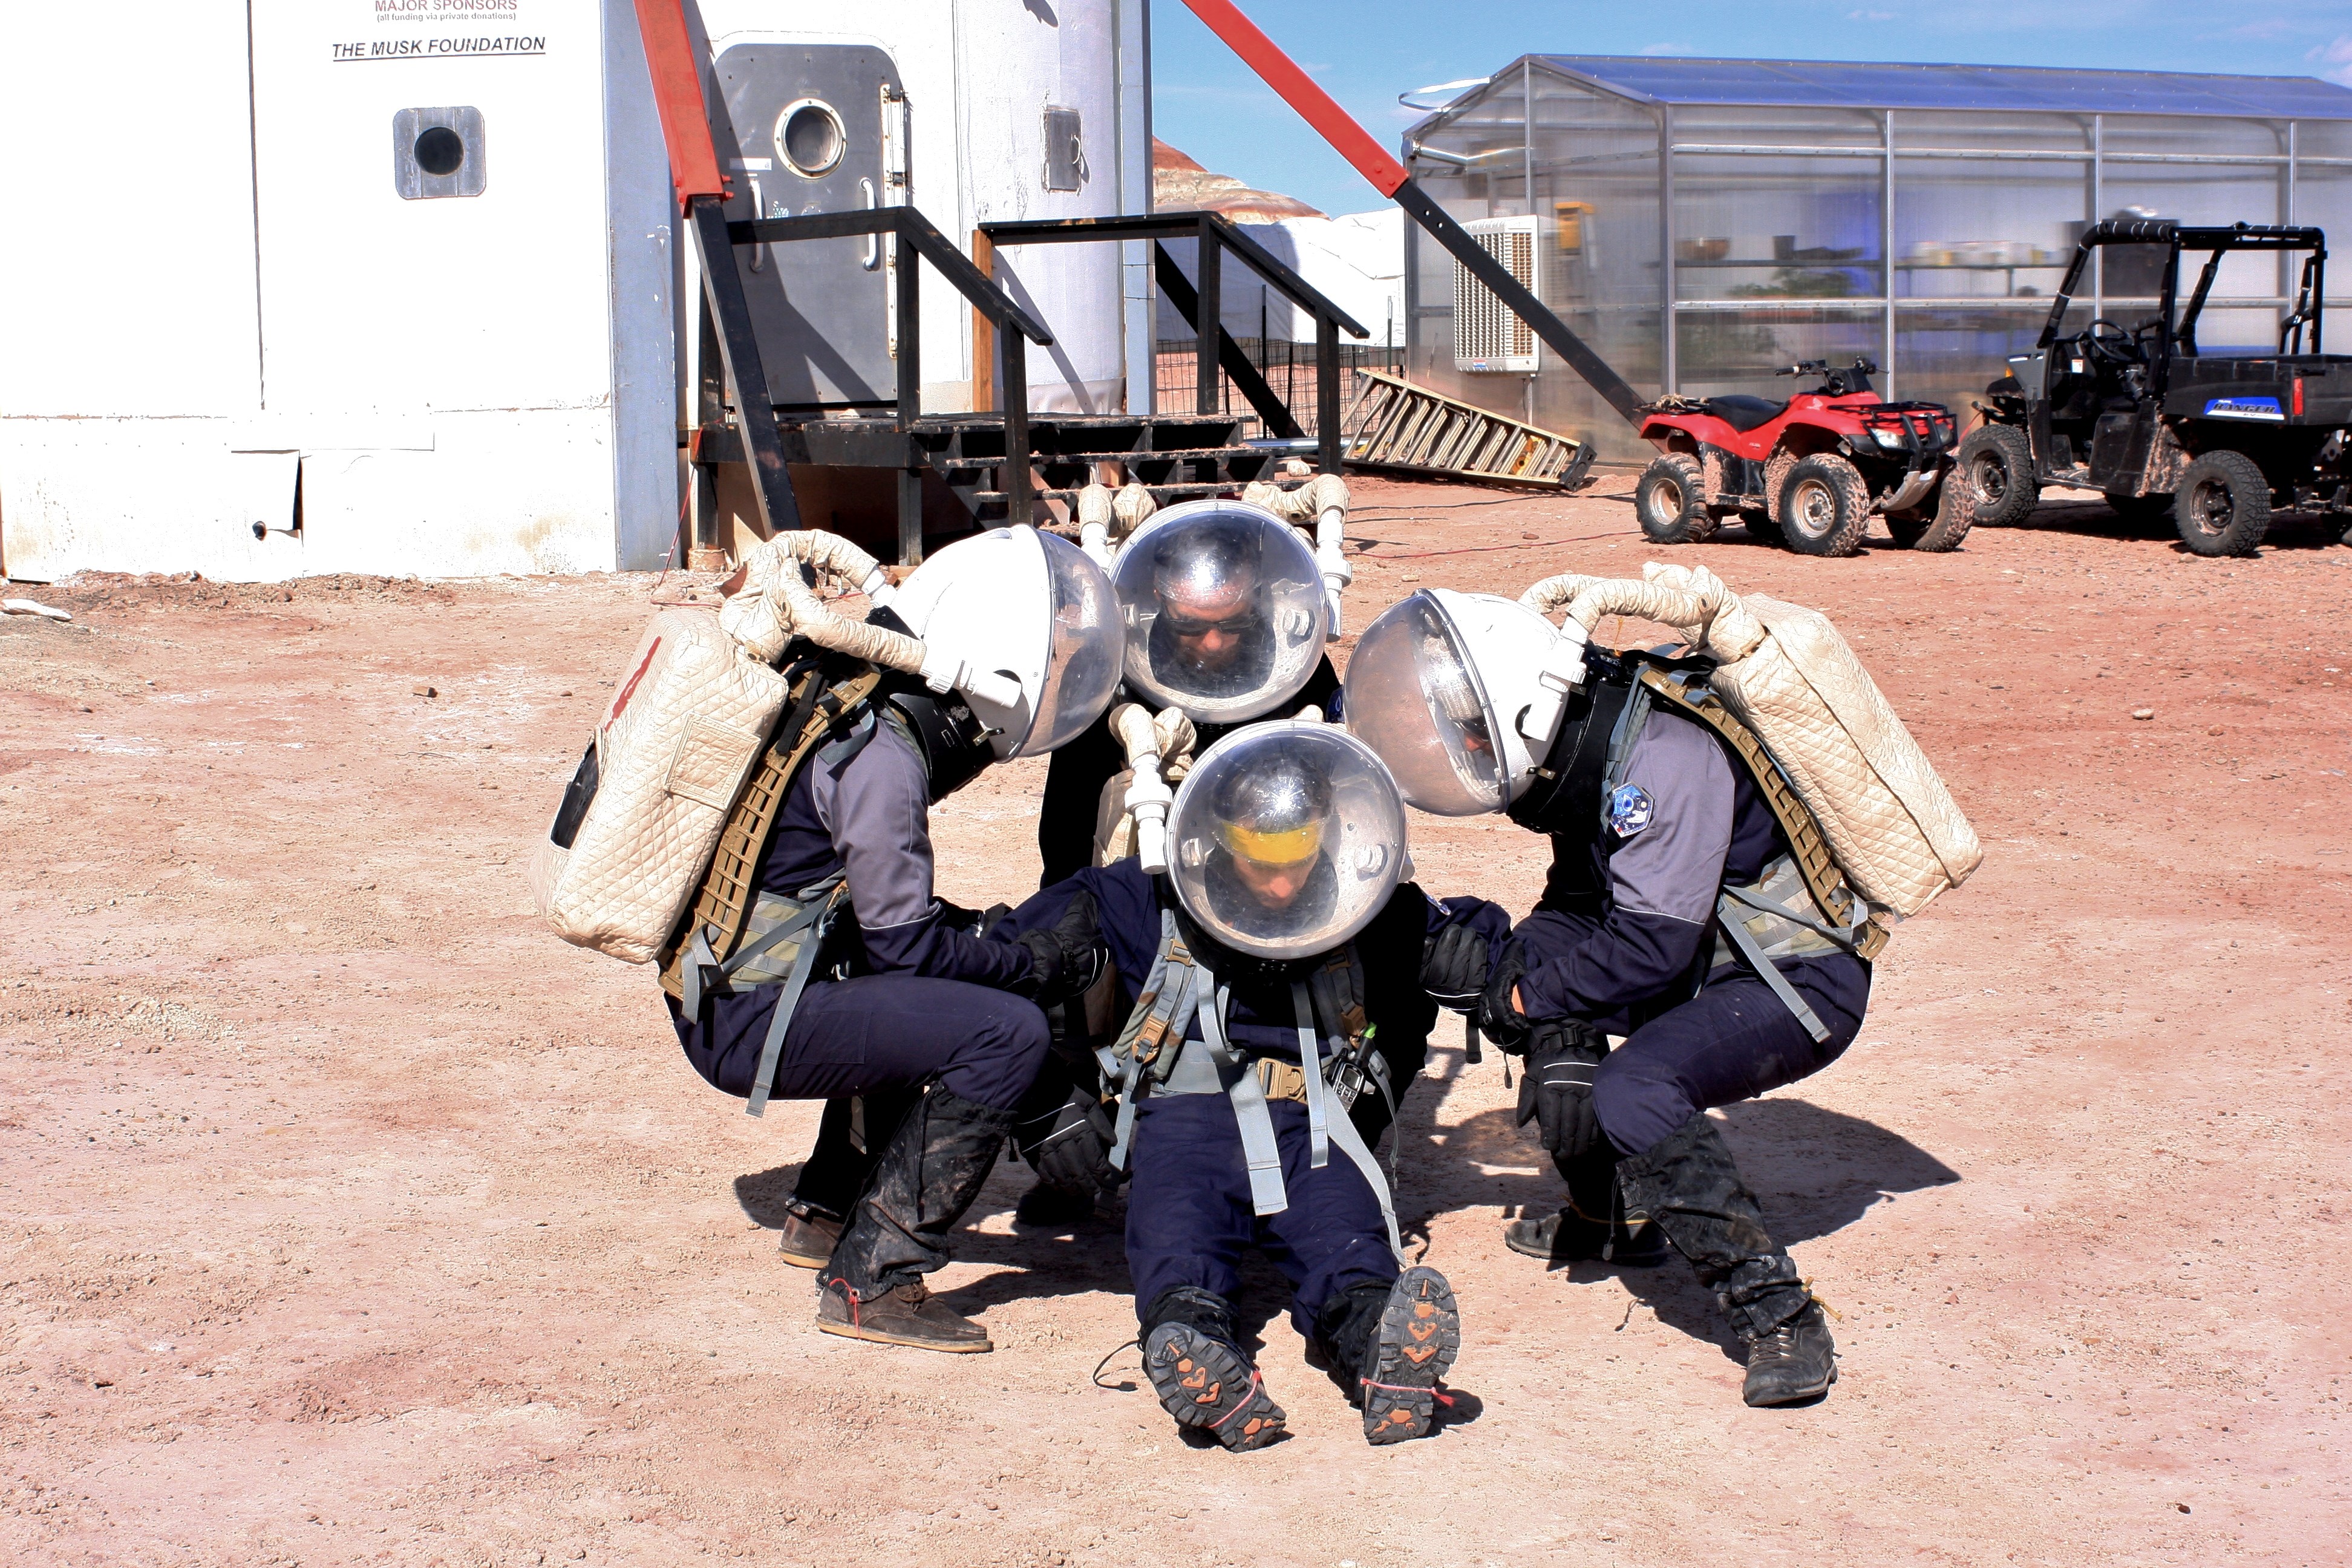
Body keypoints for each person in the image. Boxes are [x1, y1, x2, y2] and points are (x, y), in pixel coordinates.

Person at [1348, 588, 1871, 1408]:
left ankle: (1780, 1314)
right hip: (1699, 955)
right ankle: (1609, 1217)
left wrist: (1527, 1000)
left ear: (1525, 710)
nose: (1468, 748)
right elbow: (1577, 906)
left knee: (1633, 1086)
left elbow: (1649, 948)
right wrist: (1513, 979)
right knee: (1518, 976)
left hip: (1789, 977)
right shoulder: (1589, 737)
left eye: (1477, 732)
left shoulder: (1659, 759)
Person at [665, 527, 1122, 1354]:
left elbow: (882, 927)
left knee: (925, 986)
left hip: (728, 980)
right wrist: (1031, 963)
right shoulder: (878, 756)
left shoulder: (844, 688)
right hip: (748, 1017)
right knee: (999, 1031)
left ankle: (825, 1207)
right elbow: (907, 948)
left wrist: (990, 943)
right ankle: (872, 1276)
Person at [995, 722, 1509, 1448]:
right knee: (1178, 1241)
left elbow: (1464, 928)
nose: (1278, 883)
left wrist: (1481, 954)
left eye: (1296, 862)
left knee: (1347, 1241)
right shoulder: (1146, 893)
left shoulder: (1355, 895)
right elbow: (1009, 957)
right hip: (1182, 1118)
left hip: (1311, 1118)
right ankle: (1198, 1355)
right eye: (1258, 863)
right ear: (1215, 837)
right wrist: (1043, 1099)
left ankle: (1379, 1351)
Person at [1037, 501, 1339, 890]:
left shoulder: (1297, 666)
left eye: (1234, 621)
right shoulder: (1106, 670)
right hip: (1146, 874)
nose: (1213, 643)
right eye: (1189, 625)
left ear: (1257, 593)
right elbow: (1069, 824)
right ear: (1158, 594)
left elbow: (1339, 800)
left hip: (1272, 879)